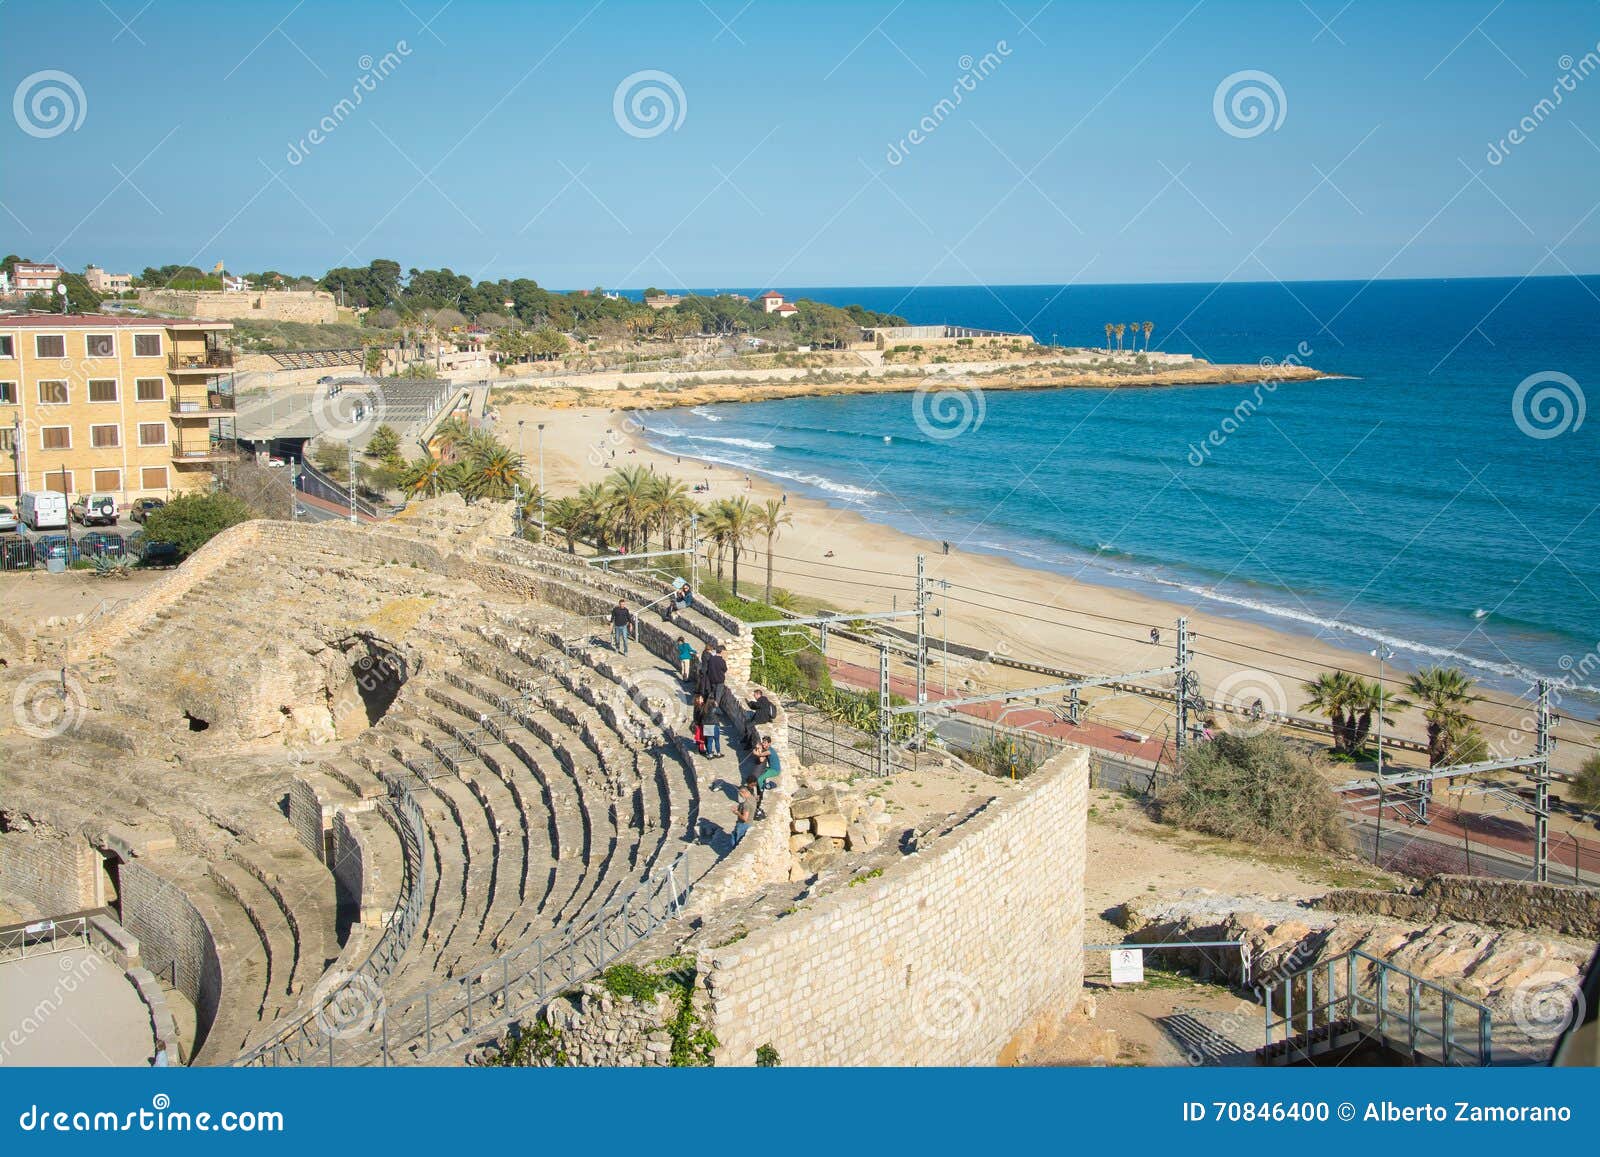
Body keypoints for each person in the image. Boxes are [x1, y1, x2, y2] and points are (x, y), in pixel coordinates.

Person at [732, 780, 756, 846]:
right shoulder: (752, 798)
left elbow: (745, 818)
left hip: (743, 825)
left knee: (737, 841)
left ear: (745, 792)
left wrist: (736, 812)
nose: (740, 794)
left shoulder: (746, 804)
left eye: (741, 793)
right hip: (749, 823)